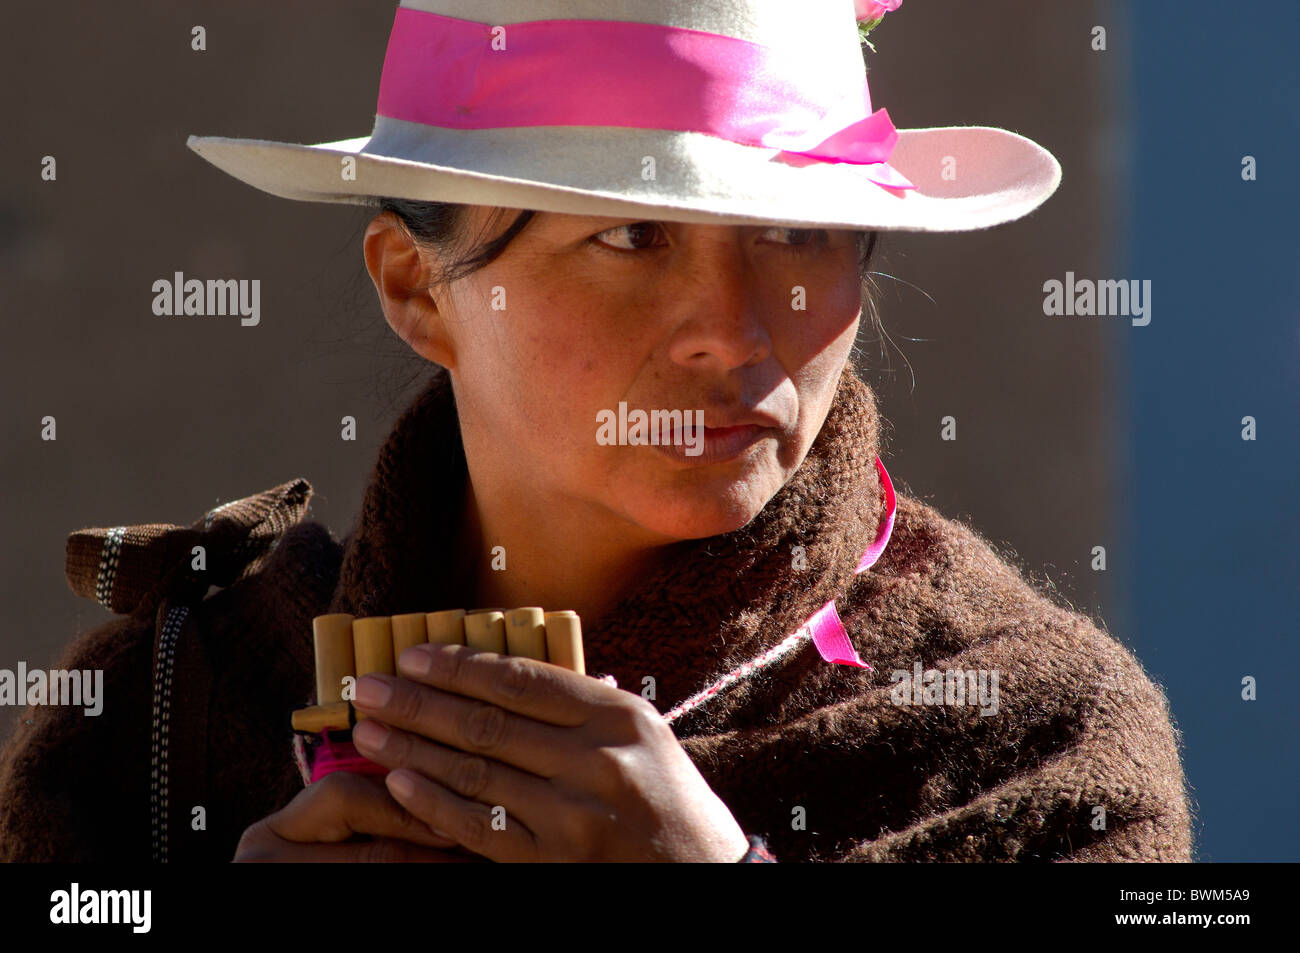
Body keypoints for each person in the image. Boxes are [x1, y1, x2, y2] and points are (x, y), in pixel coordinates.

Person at [0, 0, 1192, 862]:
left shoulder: (1041, 738)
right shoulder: (167, 710)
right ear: (418, 285)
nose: (730, 334)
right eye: (630, 238)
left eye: (800, 235)